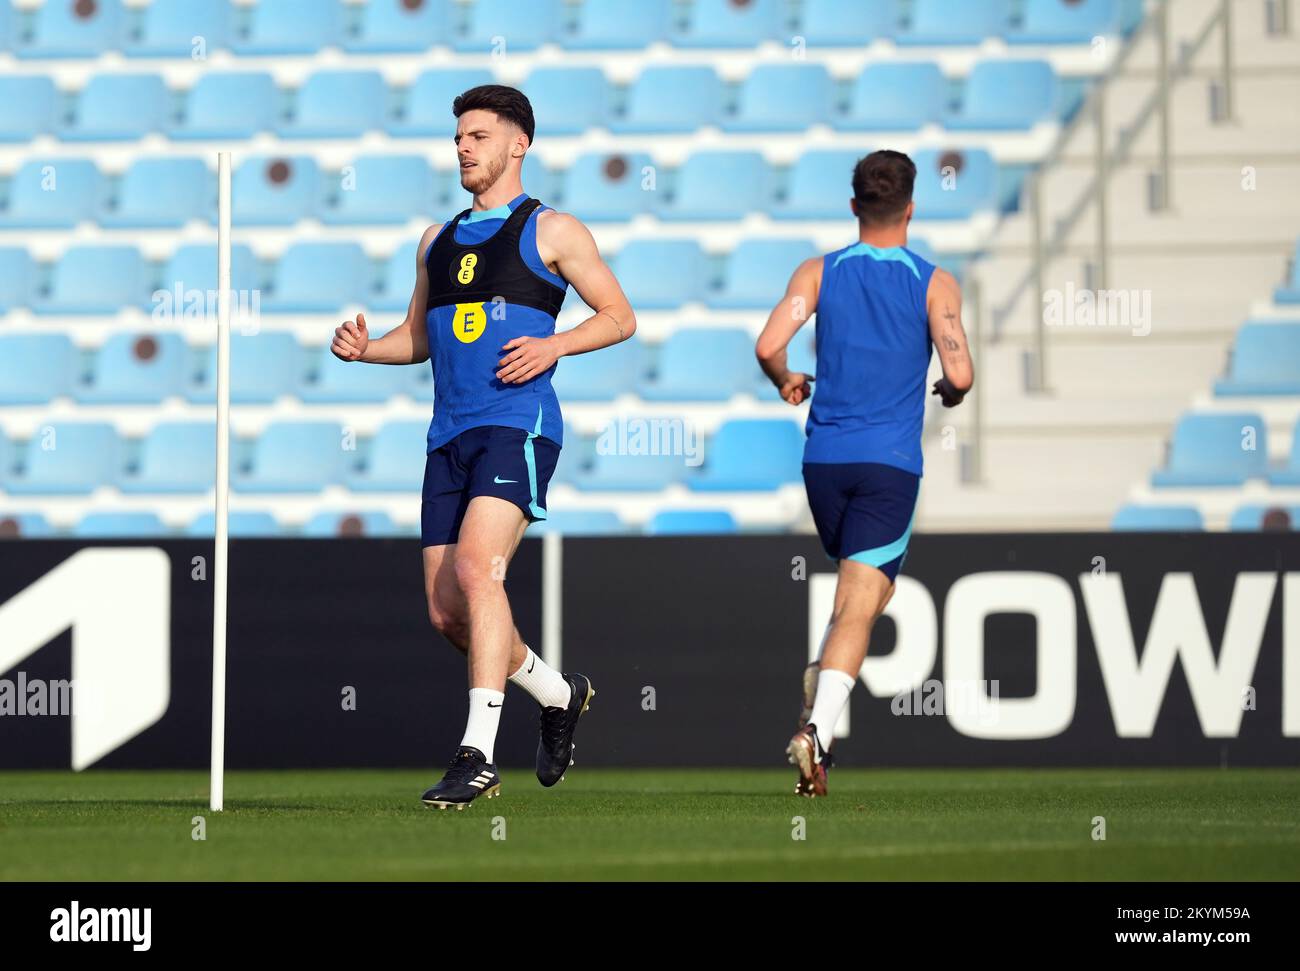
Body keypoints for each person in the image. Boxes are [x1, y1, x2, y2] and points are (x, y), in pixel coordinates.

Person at [331, 85, 636, 809]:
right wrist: (364, 349)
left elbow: (620, 316)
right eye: (458, 137)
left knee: (477, 569)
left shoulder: (553, 230)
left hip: (518, 423)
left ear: (517, 144)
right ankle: (560, 694)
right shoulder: (435, 240)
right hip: (449, 436)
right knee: (448, 615)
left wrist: (555, 344)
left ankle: (476, 757)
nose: (463, 147)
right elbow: (419, 337)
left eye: (477, 135)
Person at [754, 149, 974, 797]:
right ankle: (817, 734)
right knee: (859, 602)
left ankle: (822, 682)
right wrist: (951, 391)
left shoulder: (819, 272)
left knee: (869, 595)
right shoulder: (933, 282)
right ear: (911, 208)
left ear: (854, 207)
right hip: (889, 464)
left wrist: (787, 379)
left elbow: (769, 344)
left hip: (824, 463)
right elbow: (958, 372)